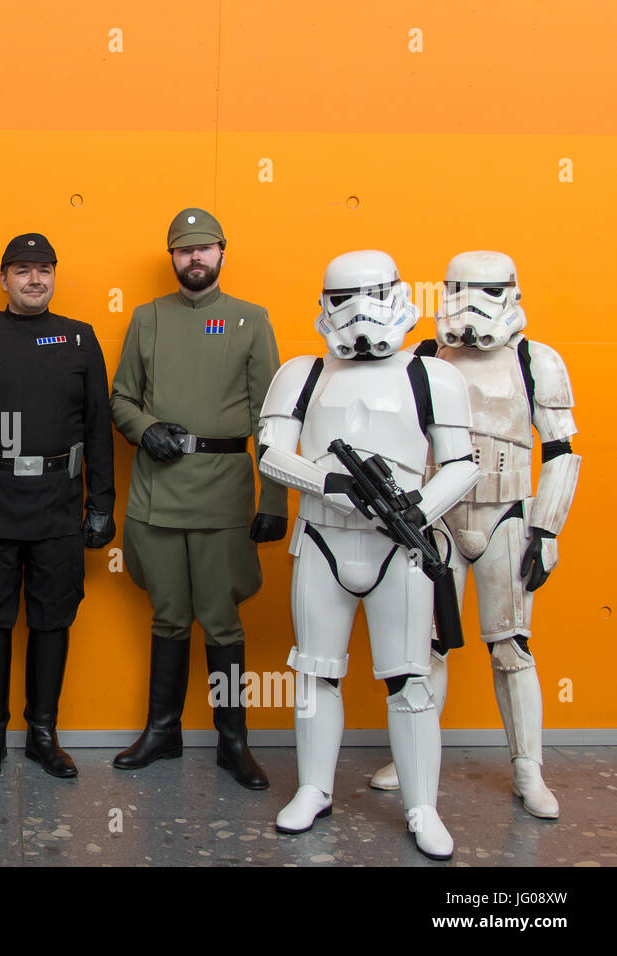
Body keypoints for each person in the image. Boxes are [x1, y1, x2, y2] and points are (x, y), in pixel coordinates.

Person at [257, 250, 479, 859]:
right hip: (324, 539)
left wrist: (415, 511)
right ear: (324, 305)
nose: (359, 313)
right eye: (342, 299)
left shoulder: (432, 377)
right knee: (314, 671)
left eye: (373, 295)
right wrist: (328, 484)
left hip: (400, 547)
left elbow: (462, 464)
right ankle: (312, 789)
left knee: (410, 682)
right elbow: (272, 452)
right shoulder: (301, 373)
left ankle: (421, 805)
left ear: (399, 296)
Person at [368, 251, 579, 819]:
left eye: (483, 292)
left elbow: (561, 450)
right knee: (425, 644)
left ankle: (527, 768)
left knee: (511, 645)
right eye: (459, 291)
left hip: (506, 514)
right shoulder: (427, 357)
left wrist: (547, 528)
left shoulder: (536, 361)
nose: (468, 307)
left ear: (510, 293)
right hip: (437, 515)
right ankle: (414, 757)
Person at [109, 208, 286, 789]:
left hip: (224, 491)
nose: (195, 259)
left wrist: (275, 500)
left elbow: (272, 420)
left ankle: (233, 742)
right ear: (172, 258)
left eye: (204, 248)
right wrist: (143, 429)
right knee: (167, 615)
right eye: (184, 250)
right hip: (158, 489)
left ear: (222, 252)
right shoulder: (148, 318)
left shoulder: (251, 320)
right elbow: (120, 398)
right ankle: (163, 731)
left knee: (221, 620)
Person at [0, 233, 114, 779]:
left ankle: (43, 733)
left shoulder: (80, 339)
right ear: (4, 278)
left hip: (59, 503)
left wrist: (100, 502)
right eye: (23, 270)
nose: (35, 279)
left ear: (54, 276)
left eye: (44, 270)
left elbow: (99, 429)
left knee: (52, 619)